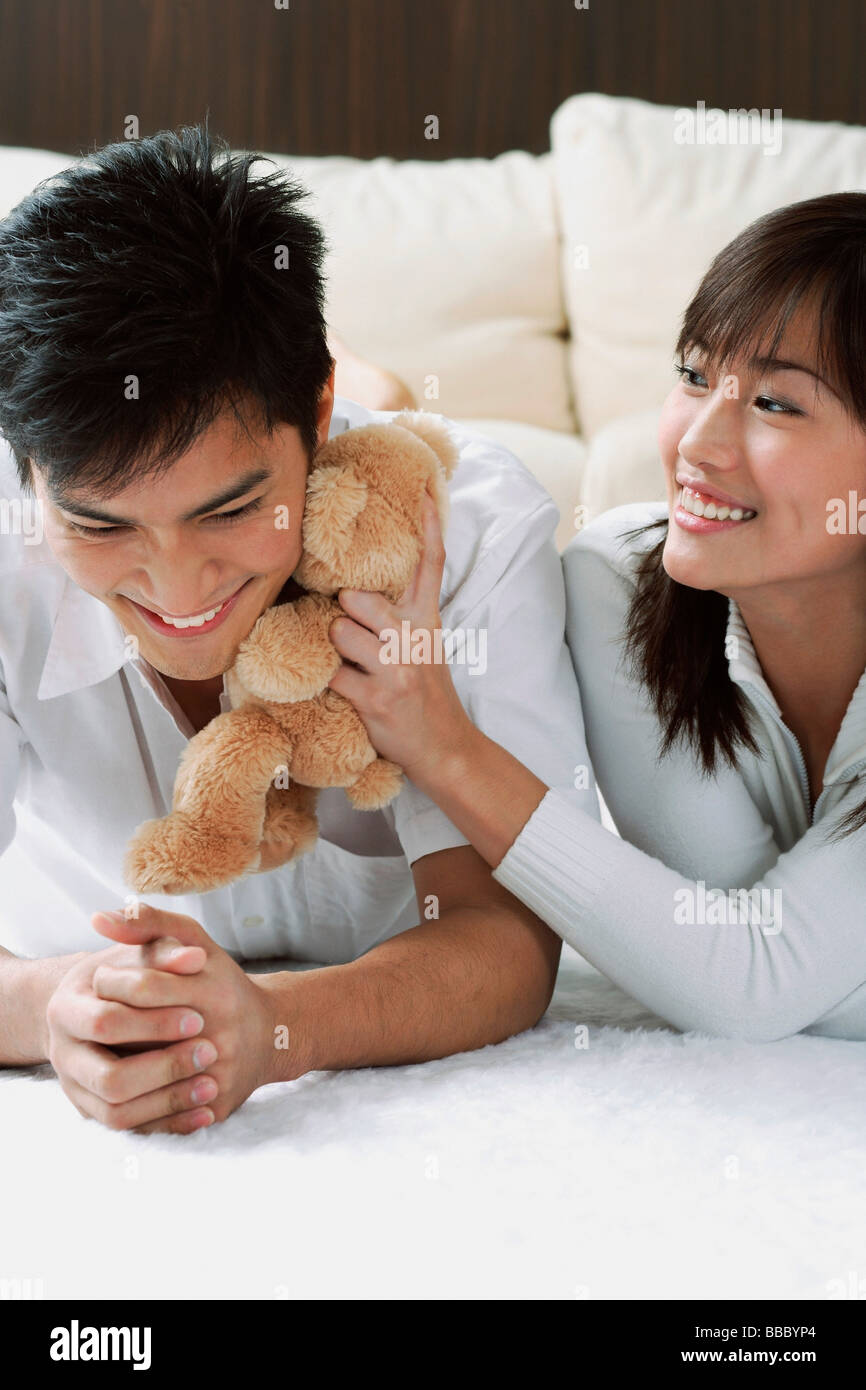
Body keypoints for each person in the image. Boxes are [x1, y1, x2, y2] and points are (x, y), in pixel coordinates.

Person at [0, 124, 599, 1132]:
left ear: (316, 409)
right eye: (100, 525)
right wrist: (50, 1006)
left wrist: (272, 1025)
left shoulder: (467, 524)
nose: (175, 584)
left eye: (229, 511)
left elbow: (506, 938)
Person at [332, 193, 866, 1044]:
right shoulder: (621, 583)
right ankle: (381, 402)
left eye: (775, 404)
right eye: (693, 376)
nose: (698, 445)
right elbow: (716, 935)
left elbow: (745, 983)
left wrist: (446, 747)